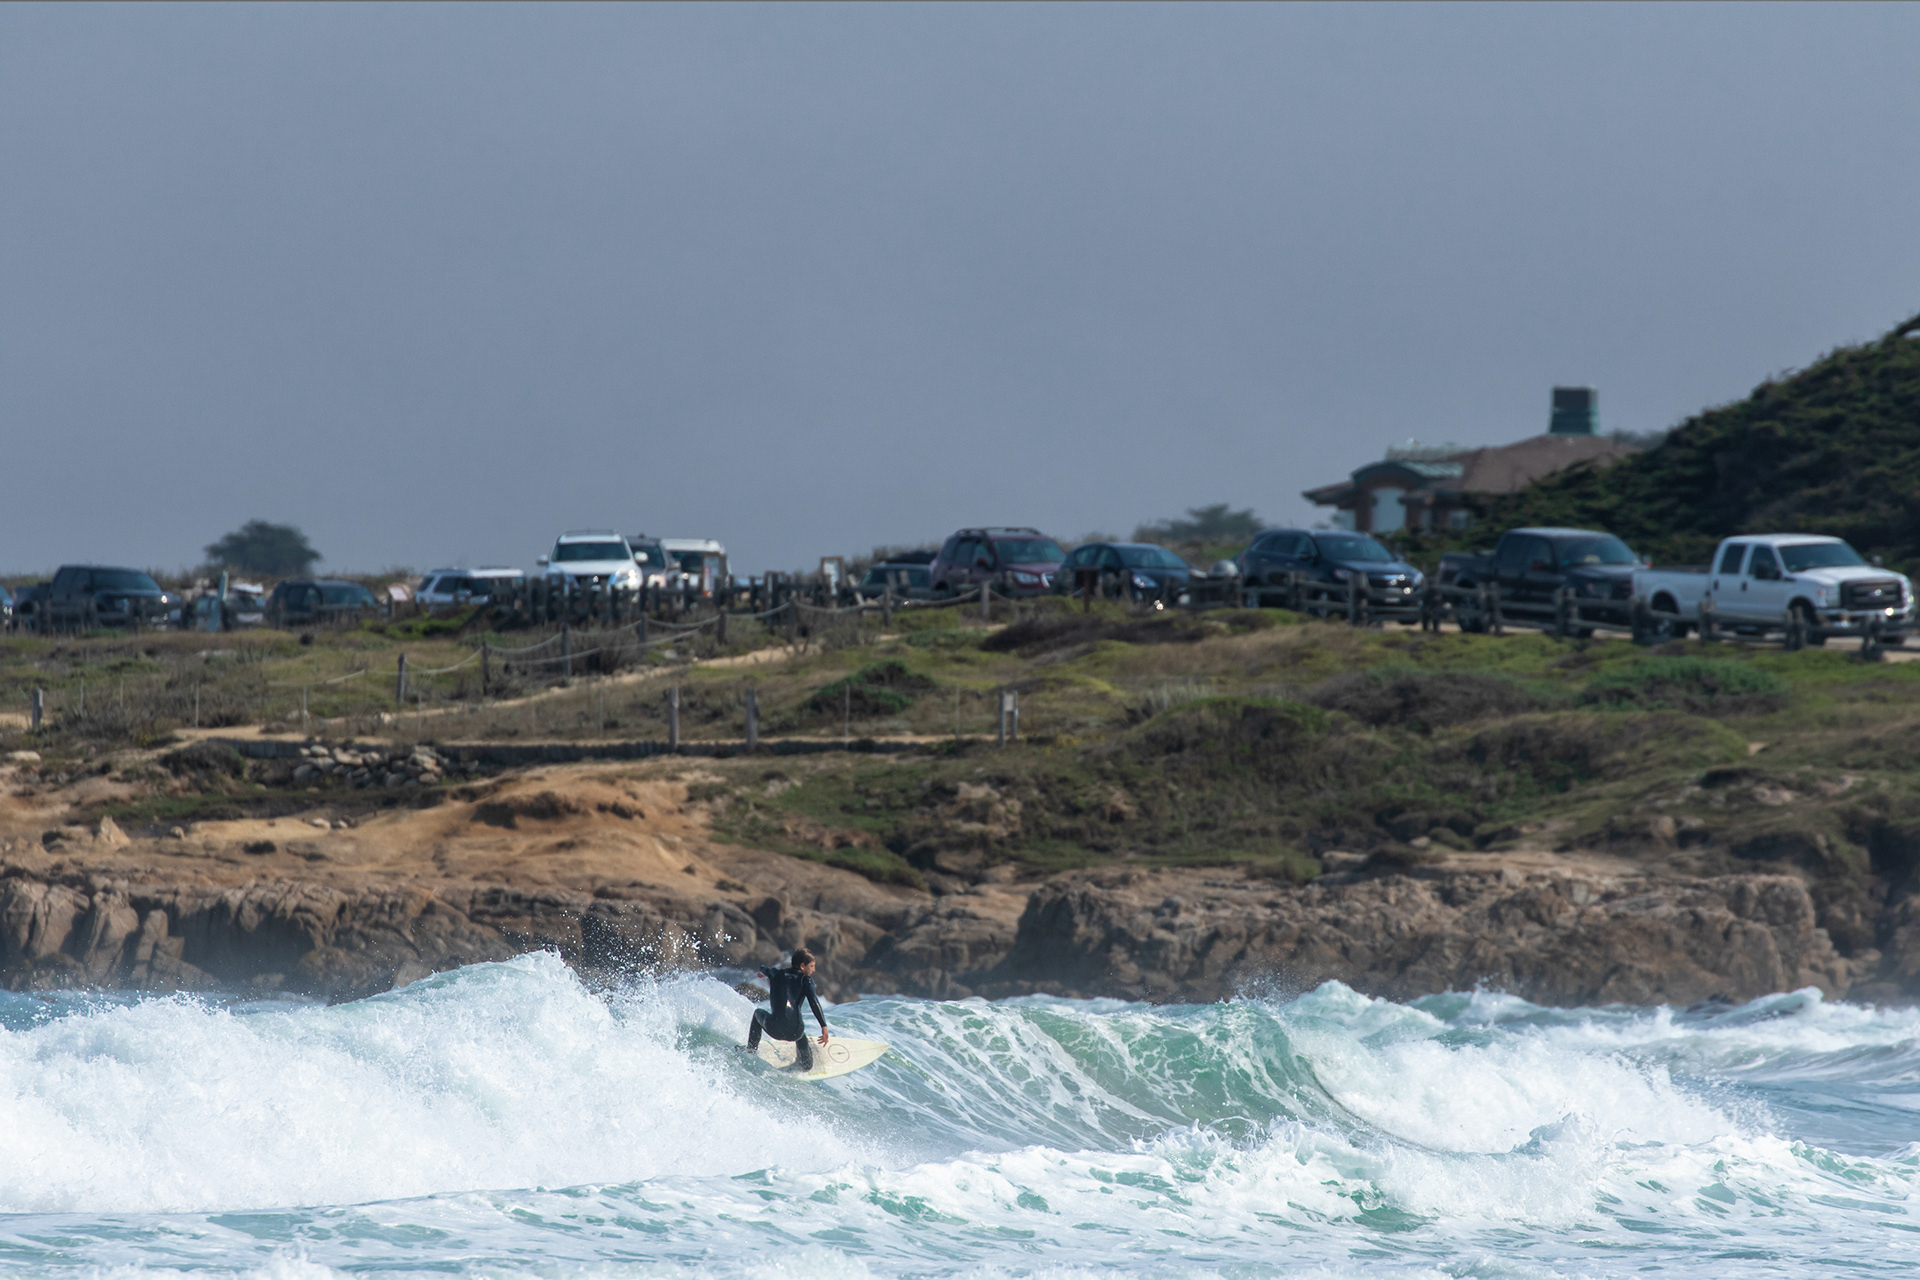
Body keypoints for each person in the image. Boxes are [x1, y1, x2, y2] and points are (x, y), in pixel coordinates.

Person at [746, 948, 830, 1071]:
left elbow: (763, 967)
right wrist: (823, 1026)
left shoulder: (775, 973)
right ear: (802, 966)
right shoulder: (805, 980)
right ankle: (806, 1064)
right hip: (795, 1032)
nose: (813, 970)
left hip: (773, 1028)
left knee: (757, 1013)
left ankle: (750, 1050)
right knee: (801, 1034)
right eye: (811, 966)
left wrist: (761, 972)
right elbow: (814, 1002)